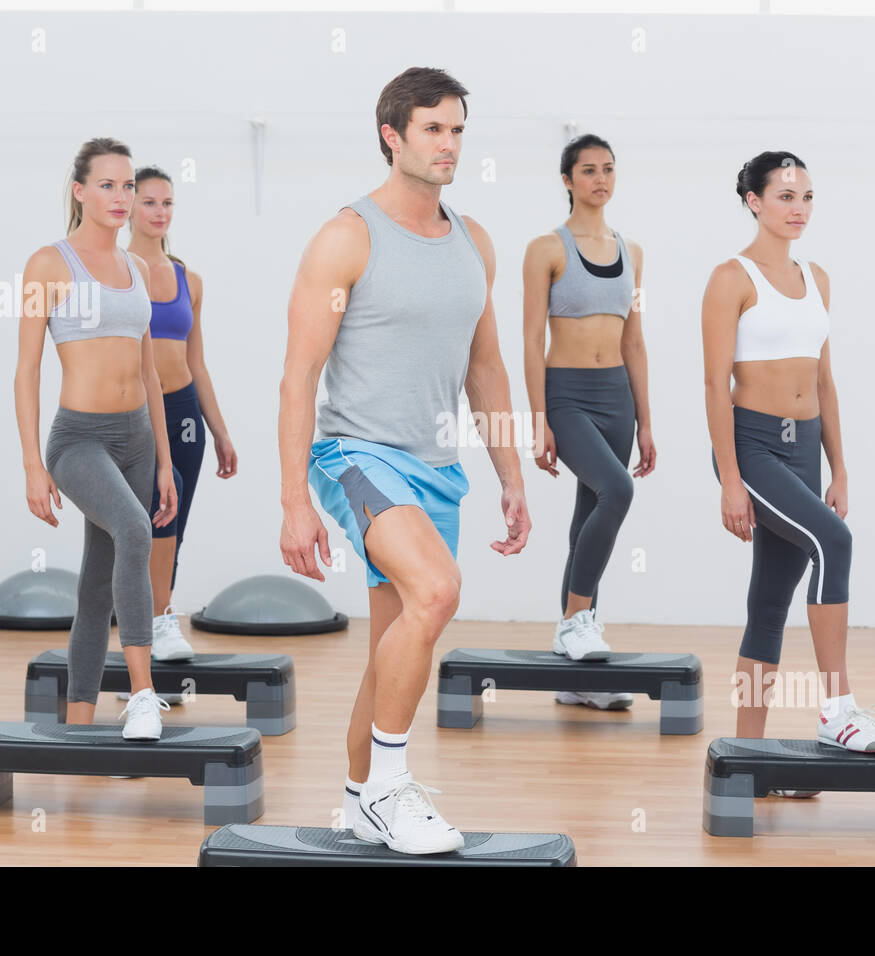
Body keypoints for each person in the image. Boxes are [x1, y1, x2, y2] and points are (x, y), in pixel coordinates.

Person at [278, 67, 531, 854]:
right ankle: (392, 785)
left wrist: (510, 474)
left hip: (436, 468)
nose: (449, 144)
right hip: (357, 454)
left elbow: (486, 368)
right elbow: (299, 376)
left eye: (458, 129)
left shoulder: (473, 242)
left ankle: (358, 799)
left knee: (401, 638)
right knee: (438, 589)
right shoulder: (347, 236)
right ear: (393, 134)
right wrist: (294, 500)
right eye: (433, 129)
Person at [701, 150, 875, 797]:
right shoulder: (730, 278)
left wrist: (839, 466)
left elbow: (824, 378)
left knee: (768, 604)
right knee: (833, 543)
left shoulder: (818, 277)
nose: (799, 209)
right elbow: (713, 384)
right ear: (754, 201)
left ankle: (746, 760)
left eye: (808, 197)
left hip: (803, 447)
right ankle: (838, 712)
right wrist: (731, 478)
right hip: (754, 448)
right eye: (786, 196)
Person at [14, 136, 178, 741]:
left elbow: (149, 373)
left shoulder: (137, 269)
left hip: (137, 436)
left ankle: (78, 723)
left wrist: (163, 460)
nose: (121, 196)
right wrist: (34, 465)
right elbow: (26, 369)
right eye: (107, 185)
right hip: (78, 440)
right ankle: (142, 694)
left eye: (128, 185)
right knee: (135, 530)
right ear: (80, 191)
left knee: (96, 581)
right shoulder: (48, 264)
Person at [521, 133, 655, 711]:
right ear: (568, 180)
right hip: (568, 394)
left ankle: (577, 679)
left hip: (616, 398)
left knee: (589, 516)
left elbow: (636, 341)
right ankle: (577, 620)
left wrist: (646, 422)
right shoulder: (545, 249)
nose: (600, 178)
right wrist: (538, 420)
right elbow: (529, 339)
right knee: (616, 491)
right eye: (587, 170)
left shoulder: (633, 251)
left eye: (608, 169)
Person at [124, 165, 238, 666]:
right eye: (149, 202)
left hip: (184, 409)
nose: (159, 212)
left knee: (174, 521)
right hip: (134, 410)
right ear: (128, 206)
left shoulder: (188, 279)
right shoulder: (115, 270)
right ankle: (147, 621)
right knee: (147, 520)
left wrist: (222, 431)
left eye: (167, 203)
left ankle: (160, 619)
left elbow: (197, 360)